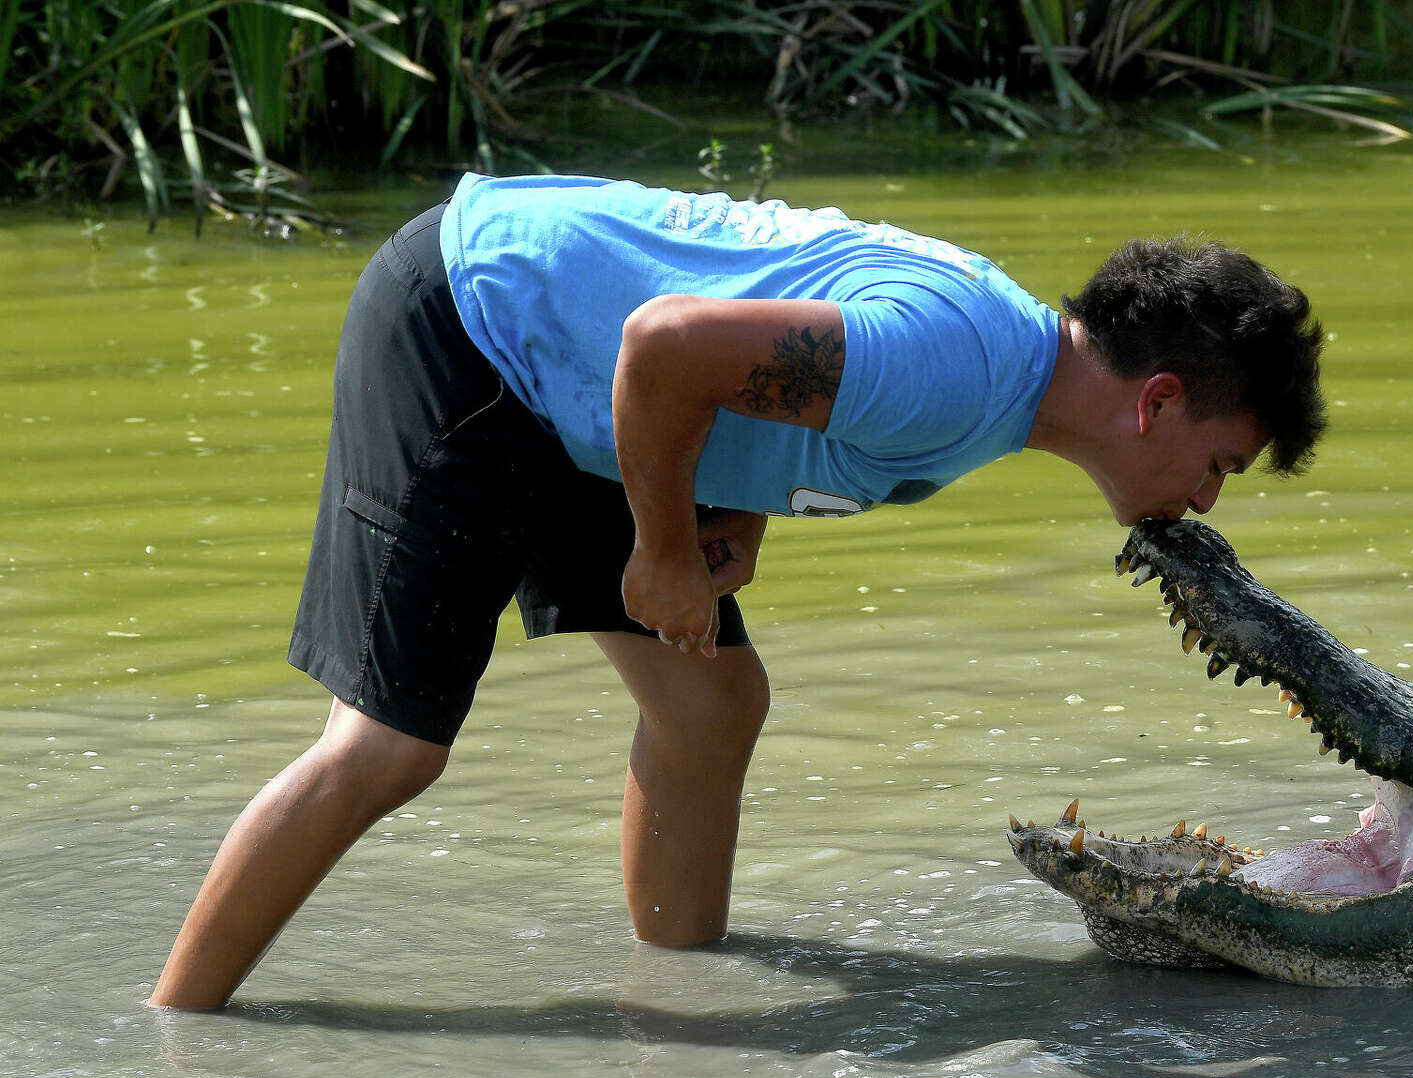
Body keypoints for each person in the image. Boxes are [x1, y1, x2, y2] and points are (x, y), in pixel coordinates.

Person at [149, 173, 1328, 1009]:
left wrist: (731, 514)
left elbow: (763, 321)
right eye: (1220, 463)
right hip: (473, 326)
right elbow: (665, 342)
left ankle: (675, 1008)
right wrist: (664, 548)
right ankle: (174, 1037)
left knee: (712, 701)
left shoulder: (1006, 365)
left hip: (586, 390)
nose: (1206, 499)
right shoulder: (957, 370)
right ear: (1158, 401)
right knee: (388, 747)